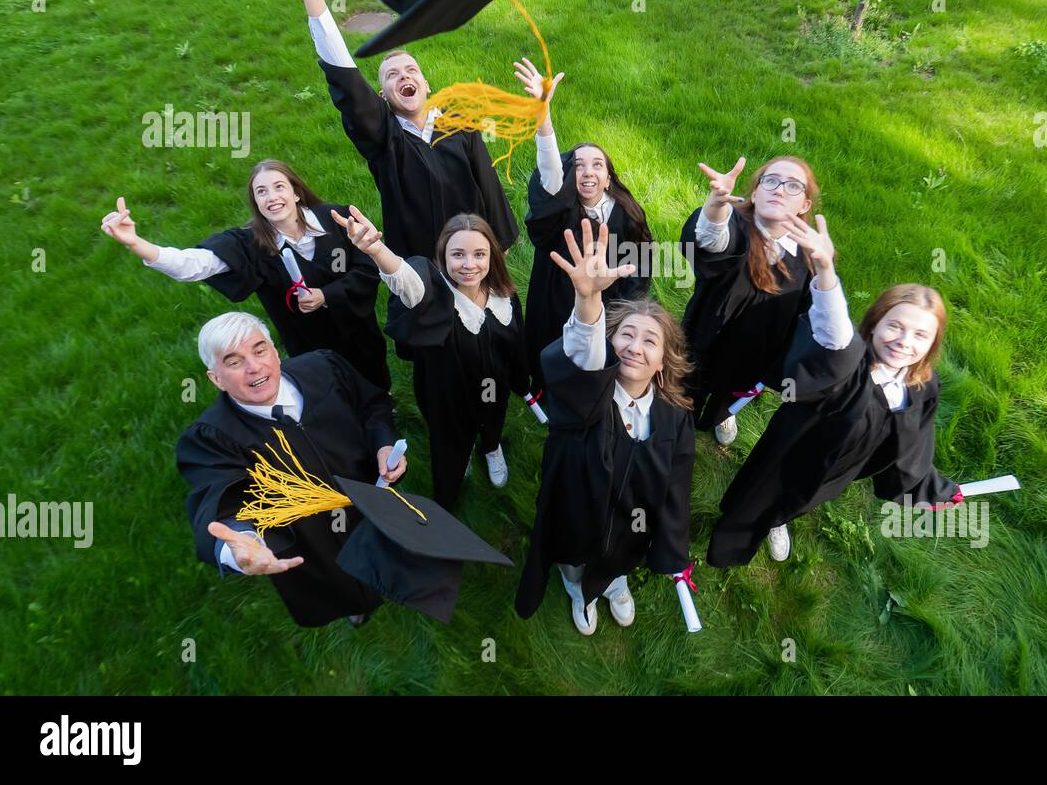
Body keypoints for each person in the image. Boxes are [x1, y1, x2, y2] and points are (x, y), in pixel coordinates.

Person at [706, 215, 962, 567]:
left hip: (838, 470)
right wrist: (825, 269)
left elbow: (911, 452)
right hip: (790, 451)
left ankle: (779, 521)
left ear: (933, 343)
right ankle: (733, 537)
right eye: (895, 327)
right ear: (874, 324)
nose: (904, 342)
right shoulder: (847, 362)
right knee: (754, 498)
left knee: (801, 501)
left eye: (920, 335)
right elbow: (833, 323)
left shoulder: (922, 387)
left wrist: (933, 490)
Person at [256, 0, 520, 260]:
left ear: (426, 86)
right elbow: (347, 80)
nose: (404, 76)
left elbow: (487, 182)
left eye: (411, 70)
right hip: (420, 262)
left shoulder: (459, 126)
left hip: (473, 255)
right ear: (382, 97)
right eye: (392, 75)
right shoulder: (384, 140)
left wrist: (501, 240)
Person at [515, 219, 696, 635]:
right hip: (575, 508)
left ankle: (613, 583)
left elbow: (676, 487)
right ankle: (578, 588)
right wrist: (588, 299)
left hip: (631, 523)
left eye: (650, 341)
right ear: (609, 344)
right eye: (625, 335)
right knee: (574, 557)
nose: (635, 346)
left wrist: (672, 550)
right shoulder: (585, 396)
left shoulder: (674, 419)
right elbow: (584, 350)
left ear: (663, 361)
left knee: (619, 556)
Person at [176, 311, 407, 627]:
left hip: (370, 496)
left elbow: (372, 407)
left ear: (274, 350)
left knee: (390, 551)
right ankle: (357, 606)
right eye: (234, 361)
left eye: (259, 350)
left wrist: (383, 442)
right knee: (344, 586)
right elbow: (219, 505)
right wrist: (239, 545)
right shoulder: (213, 438)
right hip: (313, 540)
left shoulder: (325, 367)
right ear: (215, 379)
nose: (254, 367)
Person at [100, 159, 390, 389]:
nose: (271, 197)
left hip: (358, 329)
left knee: (373, 377)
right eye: (261, 191)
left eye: (279, 187)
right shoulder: (249, 243)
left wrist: (326, 295)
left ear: (296, 192)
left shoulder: (334, 218)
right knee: (329, 388)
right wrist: (137, 244)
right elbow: (193, 264)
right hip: (307, 340)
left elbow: (368, 269)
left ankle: (381, 407)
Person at [331, 205, 530, 509]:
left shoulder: (504, 296)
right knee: (449, 441)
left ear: (492, 256)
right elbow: (405, 279)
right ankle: (456, 465)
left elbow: (516, 344)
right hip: (445, 392)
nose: (469, 265)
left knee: (493, 418)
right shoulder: (433, 296)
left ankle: (491, 447)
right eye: (458, 254)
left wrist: (520, 379)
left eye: (479, 254)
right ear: (443, 256)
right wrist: (377, 250)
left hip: (494, 385)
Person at [514, 57, 652, 394]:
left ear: (608, 178)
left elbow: (641, 267)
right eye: (578, 165)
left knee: (596, 370)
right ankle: (548, 395)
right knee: (553, 359)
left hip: (610, 307)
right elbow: (549, 171)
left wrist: (627, 309)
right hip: (556, 302)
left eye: (597, 165)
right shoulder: (559, 212)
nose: (588, 171)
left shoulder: (628, 215)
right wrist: (543, 116)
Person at [680, 155, 819, 445]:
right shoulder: (735, 226)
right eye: (771, 181)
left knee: (734, 390)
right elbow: (712, 242)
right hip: (705, 333)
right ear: (755, 193)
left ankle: (724, 413)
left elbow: (808, 315)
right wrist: (717, 205)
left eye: (793, 186)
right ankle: (679, 417)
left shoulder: (808, 255)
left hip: (755, 351)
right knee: (688, 381)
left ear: (805, 204)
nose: (780, 189)